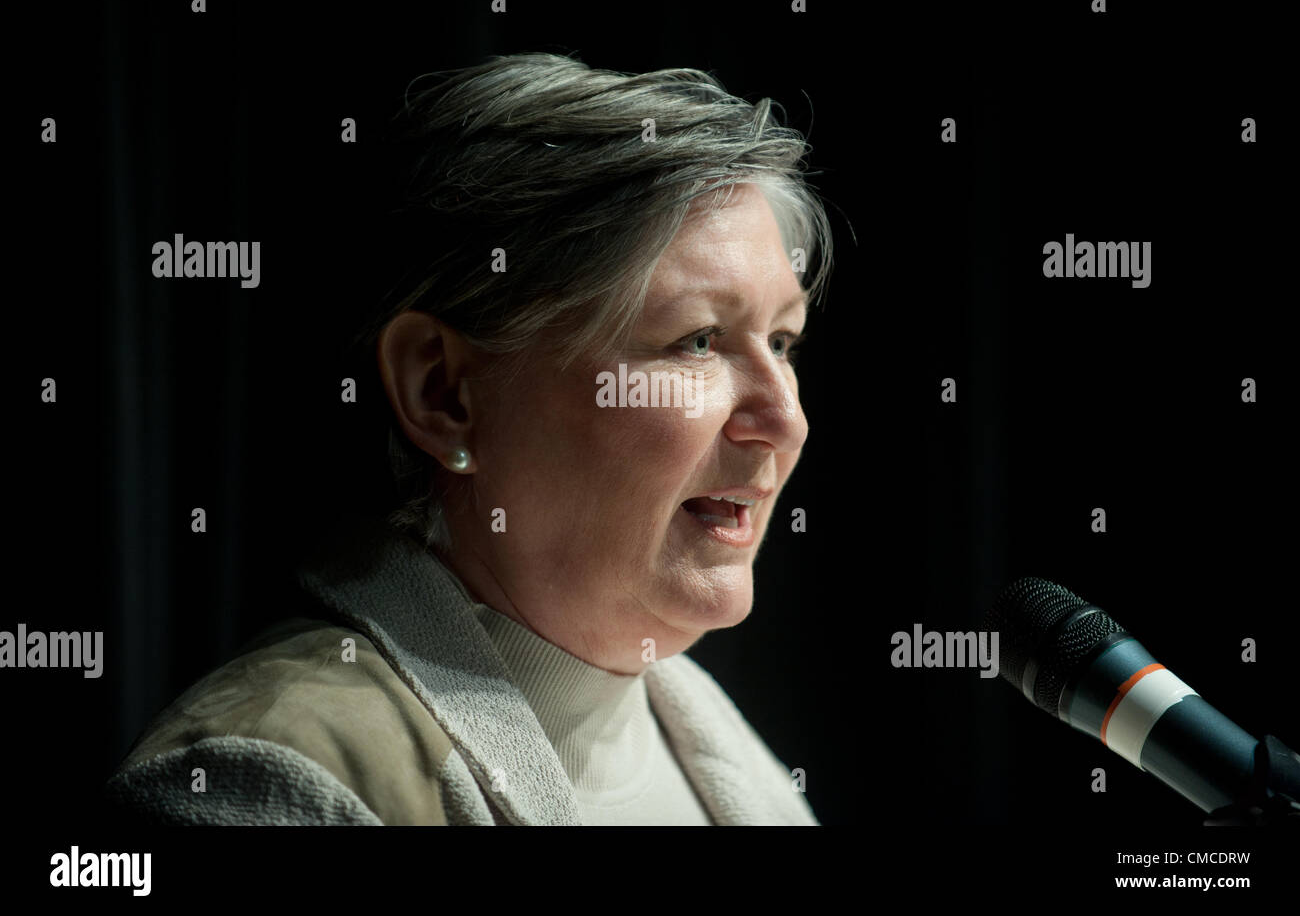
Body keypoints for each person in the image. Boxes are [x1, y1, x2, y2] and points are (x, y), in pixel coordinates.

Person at [102, 52, 832, 825]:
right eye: (697, 340)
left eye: (782, 341)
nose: (785, 418)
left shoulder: (735, 764)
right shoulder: (255, 775)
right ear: (442, 392)